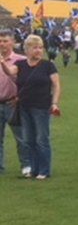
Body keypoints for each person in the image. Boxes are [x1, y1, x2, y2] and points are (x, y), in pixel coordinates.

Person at [0, 34, 61, 179]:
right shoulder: (21, 65)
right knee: (28, 140)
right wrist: (2, 62)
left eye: (40, 48)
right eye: (35, 48)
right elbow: (9, 72)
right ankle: (33, 169)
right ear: (27, 49)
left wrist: (54, 103)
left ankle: (44, 170)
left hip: (41, 107)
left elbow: (56, 85)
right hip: (24, 107)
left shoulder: (48, 65)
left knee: (42, 139)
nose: (38, 51)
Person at [0, 28, 30, 176]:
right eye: (0, 41)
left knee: (21, 137)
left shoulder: (21, 60)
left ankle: (26, 166)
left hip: (13, 103)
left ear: (12, 42)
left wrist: (20, 97)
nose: (2, 44)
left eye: (5, 41)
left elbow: (27, 83)